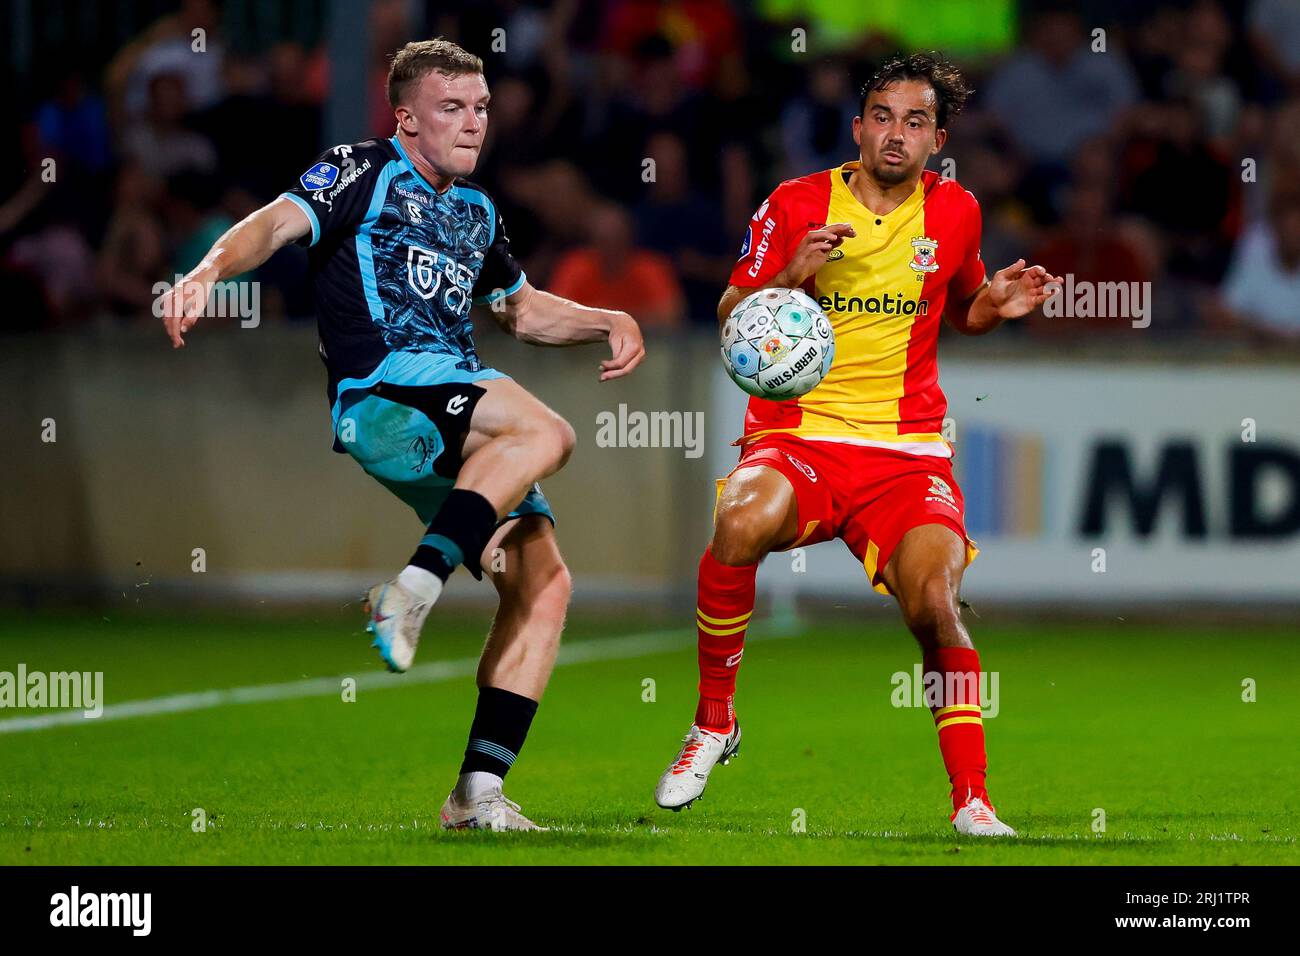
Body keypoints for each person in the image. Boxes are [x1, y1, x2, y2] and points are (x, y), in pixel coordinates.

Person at [160, 39, 645, 831]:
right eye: (452, 108)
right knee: (545, 428)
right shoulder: (360, 167)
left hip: (447, 411)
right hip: (382, 387)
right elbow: (275, 224)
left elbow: (520, 311)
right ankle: (413, 586)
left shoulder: (477, 211)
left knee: (544, 582)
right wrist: (210, 270)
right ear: (407, 117)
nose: (473, 122)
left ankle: (476, 794)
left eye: (481, 107)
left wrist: (609, 319)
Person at [652, 53, 1060, 837]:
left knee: (937, 607)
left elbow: (964, 305)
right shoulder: (798, 202)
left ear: (939, 137)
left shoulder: (958, 212)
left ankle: (972, 801)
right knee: (739, 520)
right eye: (882, 117)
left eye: (914, 122)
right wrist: (793, 275)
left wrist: (994, 306)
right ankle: (713, 723)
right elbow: (734, 309)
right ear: (858, 127)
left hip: (906, 451)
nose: (895, 135)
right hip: (800, 434)